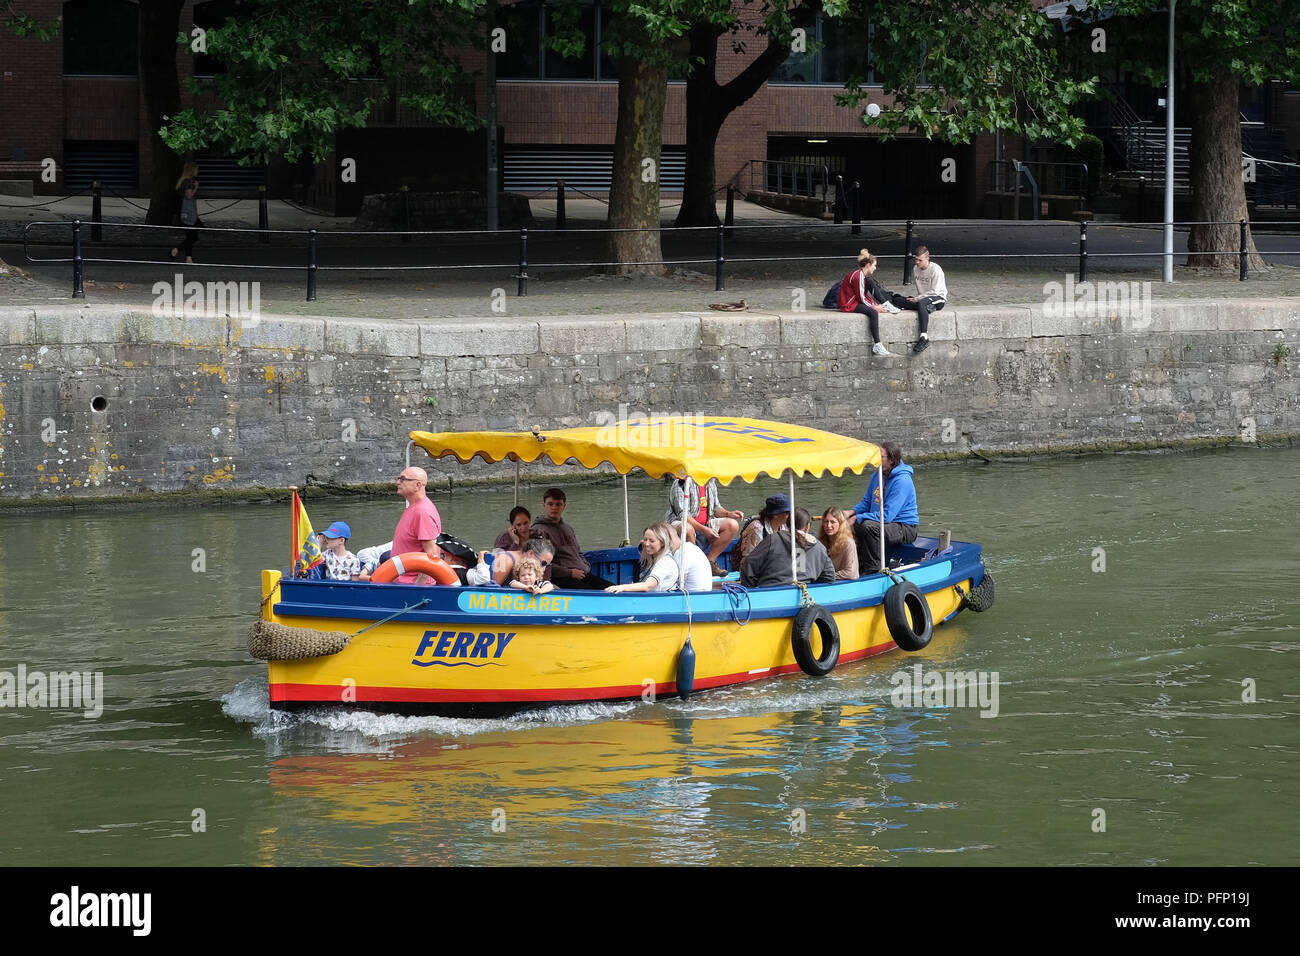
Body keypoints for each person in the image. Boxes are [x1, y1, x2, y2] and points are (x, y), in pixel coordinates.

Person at [848, 440, 919, 571]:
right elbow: (867, 502)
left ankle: (874, 568)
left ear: (891, 460)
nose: (876, 460)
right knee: (852, 525)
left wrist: (858, 517)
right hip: (885, 523)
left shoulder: (902, 481)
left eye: (880, 457)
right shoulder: (876, 476)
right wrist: (850, 512)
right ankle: (857, 564)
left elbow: (887, 516)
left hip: (905, 527)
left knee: (868, 526)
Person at [530, 487, 614, 590]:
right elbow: (541, 563)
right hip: (561, 577)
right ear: (544, 505)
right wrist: (570, 573)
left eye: (558, 504)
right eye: (550, 504)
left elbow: (578, 552)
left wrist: (585, 566)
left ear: (564, 506)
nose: (554, 508)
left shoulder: (567, 528)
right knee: (591, 594)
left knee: (612, 588)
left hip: (583, 573)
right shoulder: (538, 530)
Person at [740, 507, 835, 588]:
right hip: (804, 595)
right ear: (807, 527)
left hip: (769, 592)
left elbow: (748, 566)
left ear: (787, 523)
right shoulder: (819, 547)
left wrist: (752, 589)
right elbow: (829, 576)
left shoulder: (773, 539)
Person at [665, 476, 742, 575]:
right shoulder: (680, 483)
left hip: (706, 522)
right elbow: (683, 515)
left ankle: (709, 562)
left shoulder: (710, 482)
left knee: (732, 525)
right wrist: (705, 530)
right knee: (687, 529)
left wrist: (729, 514)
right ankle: (693, 566)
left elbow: (716, 508)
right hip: (678, 523)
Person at [823, 248, 892, 356]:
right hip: (848, 304)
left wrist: (873, 304)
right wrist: (874, 308)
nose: (875, 268)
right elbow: (861, 298)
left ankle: (885, 304)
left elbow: (863, 295)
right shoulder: (858, 276)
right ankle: (877, 344)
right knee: (873, 313)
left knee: (872, 306)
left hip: (853, 302)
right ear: (868, 265)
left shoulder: (862, 275)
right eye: (874, 265)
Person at [389, 466, 444, 584]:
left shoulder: (422, 512)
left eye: (402, 479)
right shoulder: (414, 508)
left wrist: (417, 588)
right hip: (401, 581)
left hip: (410, 585)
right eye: (398, 479)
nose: (397, 482)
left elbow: (432, 555)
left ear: (417, 485)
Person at [894, 245, 947, 353]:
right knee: (899, 300)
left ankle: (924, 337)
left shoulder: (935, 269)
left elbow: (935, 291)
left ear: (927, 259)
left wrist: (918, 299)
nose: (917, 262)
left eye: (920, 260)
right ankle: (927, 308)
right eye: (916, 260)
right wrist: (915, 299)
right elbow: (921, 292)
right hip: (923, 299)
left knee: (922, 303)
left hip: (938, 298)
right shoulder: (915, 269)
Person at [606, 524, 679, 593]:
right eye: (645, 539)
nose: (647, 544)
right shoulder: (652, 560)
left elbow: (647, 586)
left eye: (651, 541)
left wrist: (621, 587)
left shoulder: (665, 562)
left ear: (662, 543)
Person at [736, 493, 791, 569]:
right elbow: (751, 558)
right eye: (787, 513)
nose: (791, 515)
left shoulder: (784, 526)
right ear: (776, 514)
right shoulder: (757, 528)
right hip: (752, 569)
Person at [666, 522, 714, 592]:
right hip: (702, 593)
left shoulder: (680, 553)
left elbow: (672, 580)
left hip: (691, 596)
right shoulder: (692, 548)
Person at [490, 536, 556, 587]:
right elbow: (491, 589)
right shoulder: (505, 559)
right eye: (543, 563)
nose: (544, 569)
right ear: (530, 553)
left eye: (547, 566)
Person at [171, 162, 202, 263]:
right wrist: (196, 187)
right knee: (193, 236)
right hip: (188, 212)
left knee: (190, 235)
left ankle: (188, 257)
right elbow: (189, 196)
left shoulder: (182, 181)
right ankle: (177, 250)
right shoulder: (188, 182)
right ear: (192, 170)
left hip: (184, 210)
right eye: (196, 169)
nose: (198, 171)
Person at [817, 507, 859, 580]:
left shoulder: (848, 544)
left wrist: (826, 576)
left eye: (832, 522)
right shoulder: (819, 541)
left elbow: (851, 573)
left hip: (840, 583)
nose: (828, 525)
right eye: (826, 521)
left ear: (840, 524)